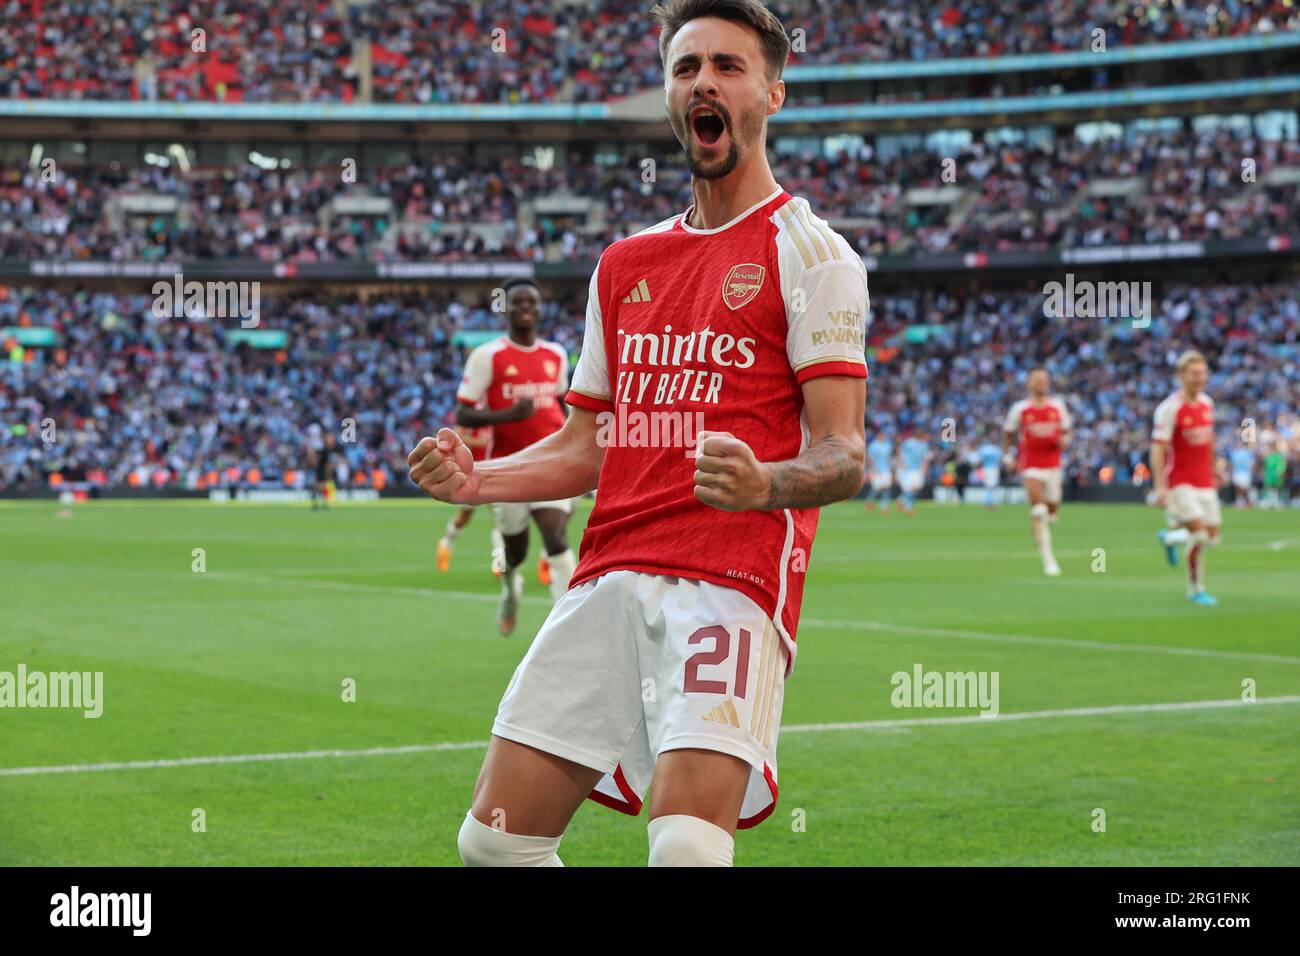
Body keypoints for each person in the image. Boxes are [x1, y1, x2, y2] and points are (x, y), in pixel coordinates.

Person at [408, 0, 869, 866]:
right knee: (491, 844)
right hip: (608, 572)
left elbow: (845, 454)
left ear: (773, 90)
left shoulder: (813, 255)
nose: (706, 82)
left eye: (729, 67)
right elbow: (586, 448)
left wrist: (766, 484)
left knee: (688, 852)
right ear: (669, 93)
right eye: (687, 67)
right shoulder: (623, 265)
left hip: (728, 581)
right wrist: (479, 482)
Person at [454, 279, 576, 635]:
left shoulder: (555, 354)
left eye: (532, 303)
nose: (526, 309)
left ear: (540, 310)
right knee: (516, 552)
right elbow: (463, 414)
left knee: (556, 537)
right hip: (507, 465)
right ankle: (510, 590)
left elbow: (561, 403)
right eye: (518, 303)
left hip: (553, 460)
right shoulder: (488, 356)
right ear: (505, 308)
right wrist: (506, 415)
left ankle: (566, 625)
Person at [1152, 351, 1220, 606]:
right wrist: (1159, 486)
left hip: (1205, 480)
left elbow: (1209, 439)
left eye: (1202, 373)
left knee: (1213, 538)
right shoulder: (1170, 409)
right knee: (1200, 536)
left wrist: (1214, 468)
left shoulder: (1207, 404)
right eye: (1194, 373)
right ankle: (1196, 589)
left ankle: (1170, 538)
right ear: (1181, 376)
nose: (1199, 378)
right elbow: (1158, 447)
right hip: (1180, 481)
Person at [1002, 367, 1072, 576]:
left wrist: (1064, 441)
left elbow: (1066, 432)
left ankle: (1044, 522)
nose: (1041, 383)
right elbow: (1007, 433)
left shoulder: (1057, 406)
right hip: (1030, 465)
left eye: (1044, 380)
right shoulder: (1020, 409)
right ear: (1029, 383)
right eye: (1037, 380)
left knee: (1051, 510)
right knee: (1039, 510)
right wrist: (1007, 456)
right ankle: (1049, 561)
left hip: (1053, 465)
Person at [436, 424, 504, 574]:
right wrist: (480, 441)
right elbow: (456, 435)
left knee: (500, 520)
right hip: (475, 474)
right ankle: (446, 542)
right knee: (465, 517)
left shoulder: (500, 416)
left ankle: (499, 565)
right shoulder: (475, 416)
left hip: (496, 473)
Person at [896, 429, 930, 516]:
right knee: (910, 489)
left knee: (917, 489)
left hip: (918, 470)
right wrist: (902, 464)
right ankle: (909, 507)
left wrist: (925, 468)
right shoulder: (909, 443)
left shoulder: (924, 444)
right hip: (909, 469)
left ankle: (901, 499)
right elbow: (901, 452)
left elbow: (925, 457)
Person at [865, 431, 893, 512]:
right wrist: (873, 469)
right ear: (879, 436)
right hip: (876, 470)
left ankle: (884, 506)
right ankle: (870, 501)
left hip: (886, 469)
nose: (884, 437)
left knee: (887, 488)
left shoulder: (888, 445)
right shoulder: (874, 446)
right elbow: (871, 458)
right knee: (876, 488)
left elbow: (888, 458)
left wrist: (890, 468)